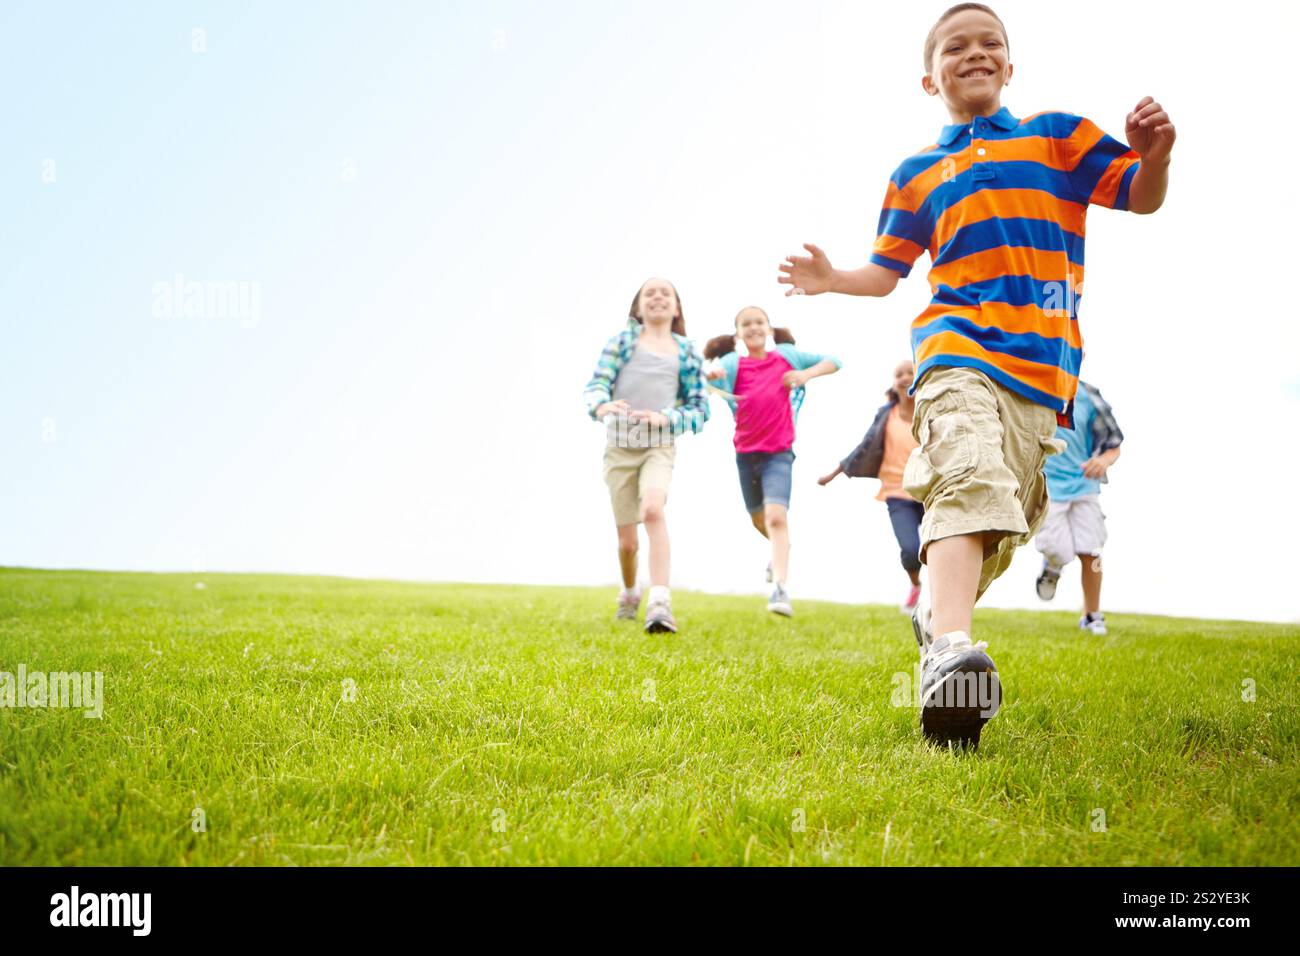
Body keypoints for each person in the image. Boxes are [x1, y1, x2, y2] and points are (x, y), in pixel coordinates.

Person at [777, 3, 1174, 746]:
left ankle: (935, 619)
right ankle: (952, 654)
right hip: (956, 355)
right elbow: (888, 271)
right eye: (954, 46)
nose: (974, 52)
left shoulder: (1056, 137)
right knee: (967, 478)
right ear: (930, 80)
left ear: (1011, 66)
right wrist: (833, 278)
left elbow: (1139, 197)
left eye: (990, 41)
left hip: (1043, 390)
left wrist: (1154, 159)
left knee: (1002, 524)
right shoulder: (917, 174)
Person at [582, 277, 709, 634]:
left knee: (653, 508)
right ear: (638, 308)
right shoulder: (621, 343)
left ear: (676, 307)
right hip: (620, 446)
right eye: (648, 293)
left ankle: (660, 603)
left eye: (665, 293)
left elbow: (700, 408)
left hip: (659, 443)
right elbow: (596, 385)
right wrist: (601, 405)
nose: (657, 297)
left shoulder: (686, 352)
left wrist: (665, 417)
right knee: (627, 542)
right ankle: (629, 592)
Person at [703, 306, 841, 616]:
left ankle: (780, 588)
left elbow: (835, 361)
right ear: (738, 333)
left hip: (779, 453)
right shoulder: (732, 363)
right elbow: (705, 384)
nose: (753, 327)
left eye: (759, 322)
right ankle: (780, 550)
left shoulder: (787, 357)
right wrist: (709, 377)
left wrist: (805, 374)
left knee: (777, 518)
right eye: (745, 324)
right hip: (746, 454)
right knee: (759, 519)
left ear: (768, 329)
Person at [818, 360, 923, 612]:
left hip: (931, 492)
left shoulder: (930, 412)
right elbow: (864, 446)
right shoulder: (886, 415)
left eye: (911, 372)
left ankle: (946, 601)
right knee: (910, 551)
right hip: (897, 493)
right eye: (900, 374)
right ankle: (916, 586)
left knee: (942, 549)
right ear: (894, 383)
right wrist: (833, 473)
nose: (906, 377)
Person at [1033, 380, 1124, 635]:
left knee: (1092, 552)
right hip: (1048, 486)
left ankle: (1092, 615)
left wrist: (1103, 461)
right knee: (1056, 549)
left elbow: (1114, 444)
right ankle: (1052, 566)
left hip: (1084, 486)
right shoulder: (1035, 385)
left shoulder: (1090, 396)